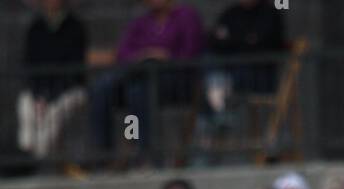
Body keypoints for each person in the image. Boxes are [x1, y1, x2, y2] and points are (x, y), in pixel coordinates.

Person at [88, 1, 206, 162]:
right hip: (138, 76)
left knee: (137, 93)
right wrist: (145, 55)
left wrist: (165, 57)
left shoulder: (186, 16)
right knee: (102, 88)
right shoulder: (140, 23)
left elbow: (190, 53)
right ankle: (102, 154)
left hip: (175, 80)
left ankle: (145, 153)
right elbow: (122, 54)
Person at [17, 0, 88, 163]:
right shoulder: (36, 27)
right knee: (25, 104)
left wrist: (50, 97)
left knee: (54, 112)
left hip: (70, 89)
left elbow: (74, 69)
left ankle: (39, 158)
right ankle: (27, 150)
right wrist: (39, 96)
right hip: (41, 90)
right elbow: (30, 66)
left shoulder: (75, 26)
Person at [206, 0, 285, 109]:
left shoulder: (269, 13)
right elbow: (215, 39)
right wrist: (243, 39)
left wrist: (231, 39)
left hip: (259, 75)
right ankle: (220, 116)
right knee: (210, 66)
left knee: (219, 85)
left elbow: (261, 44)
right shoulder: (232, 12)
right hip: (230, 71)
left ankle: (221, 116)